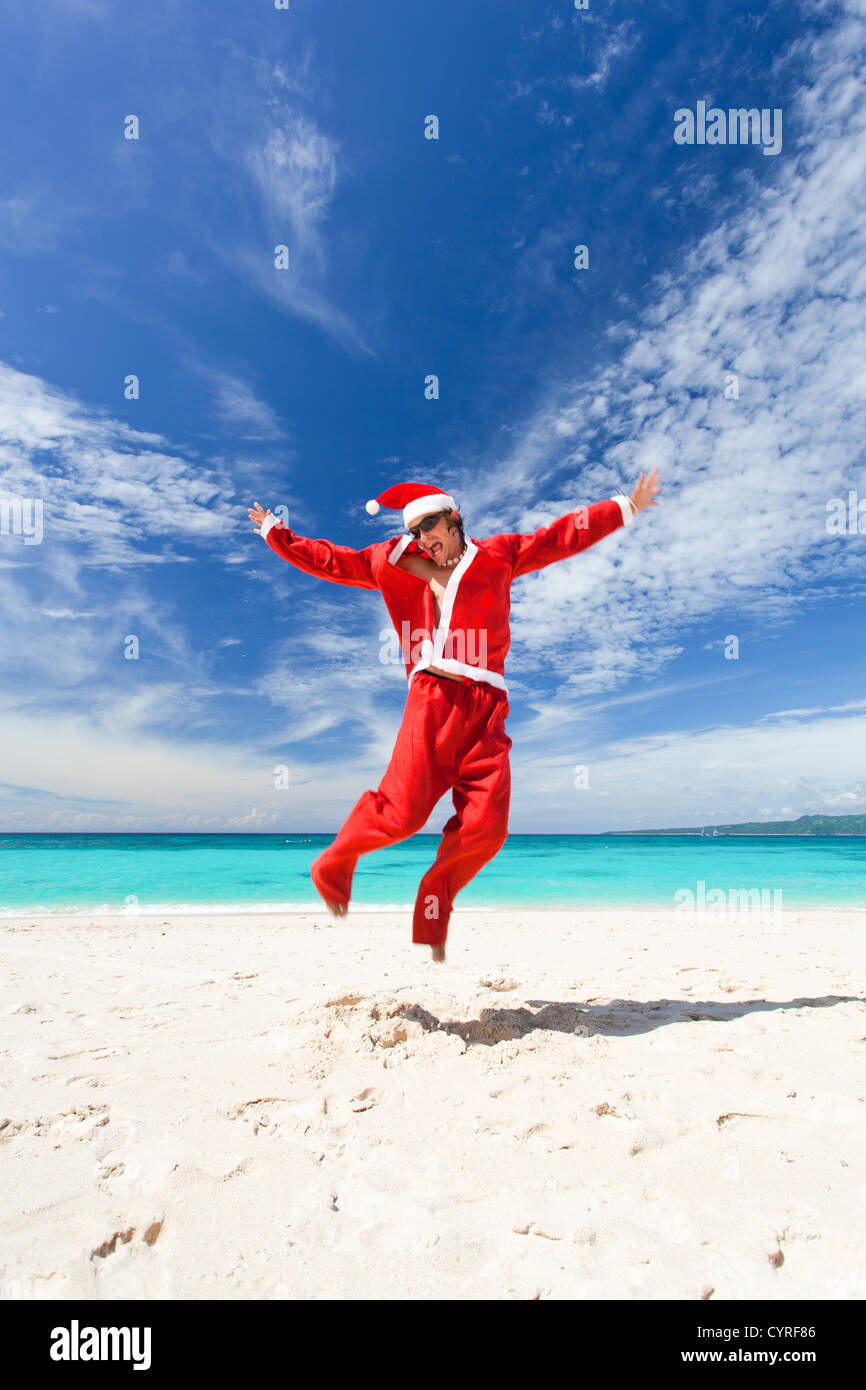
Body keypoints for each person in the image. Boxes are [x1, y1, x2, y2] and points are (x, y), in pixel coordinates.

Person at [249, 470, 660, 961]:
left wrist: (624, 507)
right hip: (433, 699)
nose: (423, 539)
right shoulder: (396, 563)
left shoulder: (499, 555)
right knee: (401, 814)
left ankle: (433, 900)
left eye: (430, 527)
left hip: (488, 706)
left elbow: (558, 538)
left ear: (454, 518)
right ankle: (336, 860)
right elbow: (333, 561)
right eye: (415, 531)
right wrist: (277, 531)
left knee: (488, 826)